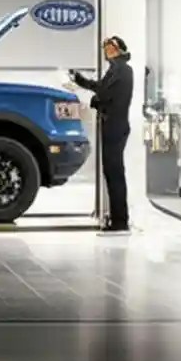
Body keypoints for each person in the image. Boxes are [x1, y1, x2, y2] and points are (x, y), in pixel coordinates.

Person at [71, 36, 135, 233]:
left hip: (115, 126)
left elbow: (105, 93)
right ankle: (118, 219)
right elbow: (101, 88)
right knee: (112, 173)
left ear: (120, 50)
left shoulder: (122, 70)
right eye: (106, 49)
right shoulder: (116, 69)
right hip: (113, 125)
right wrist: (81, 81)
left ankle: (120, 221)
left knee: (114, 174)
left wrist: (95, 101)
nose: (108, 52)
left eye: (111, 48)